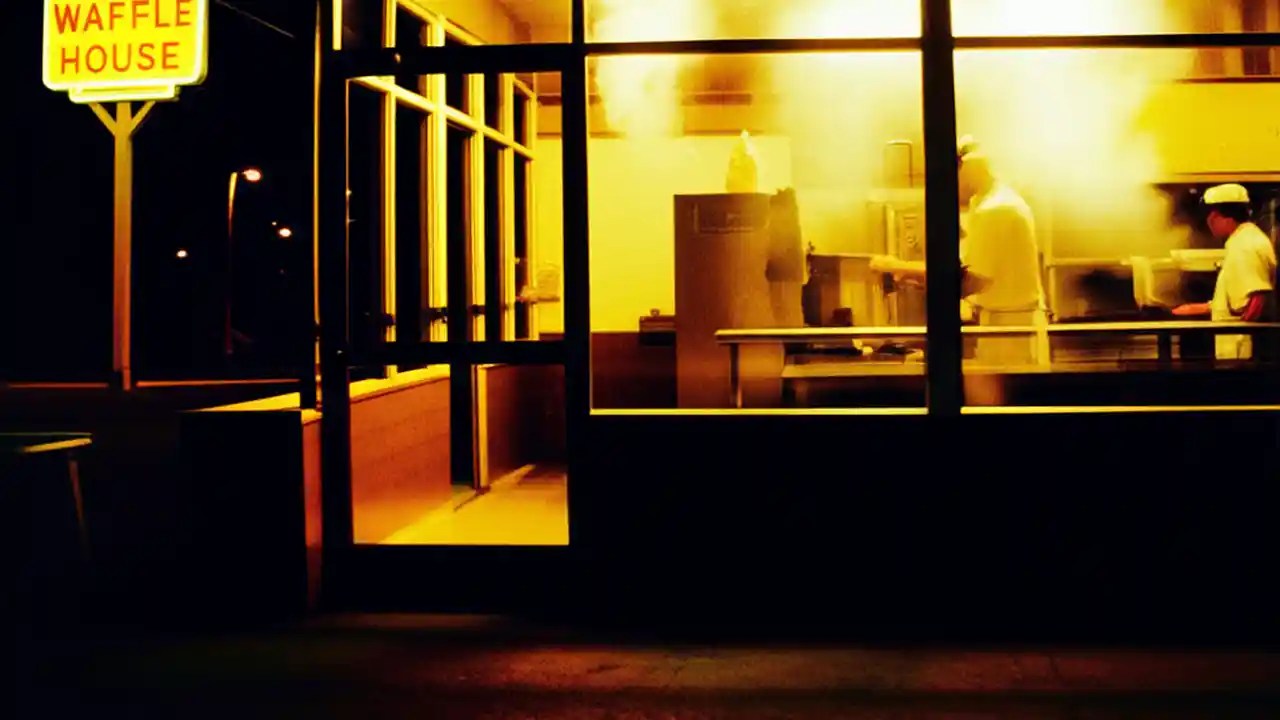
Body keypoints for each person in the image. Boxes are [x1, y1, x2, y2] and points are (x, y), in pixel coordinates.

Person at [874, 136, 1047, 367]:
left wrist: (897, 267)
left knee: (1008, 397)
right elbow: (966, 275)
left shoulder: (996, 210)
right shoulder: (990, 204)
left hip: (1010, 332)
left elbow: (969, 282)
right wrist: (915, 277)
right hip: (1006, 326)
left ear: (968, 168)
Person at [1173, 183, 1276, 360]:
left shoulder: (1245, 246)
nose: (1208, 222)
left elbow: (1257, 299)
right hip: (1239, 350)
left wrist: (1245, 333)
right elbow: (1239, 300)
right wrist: (1200, 308)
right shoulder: (1245, 240)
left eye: (1209, 216)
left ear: (1215, 216)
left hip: (1242, 352)